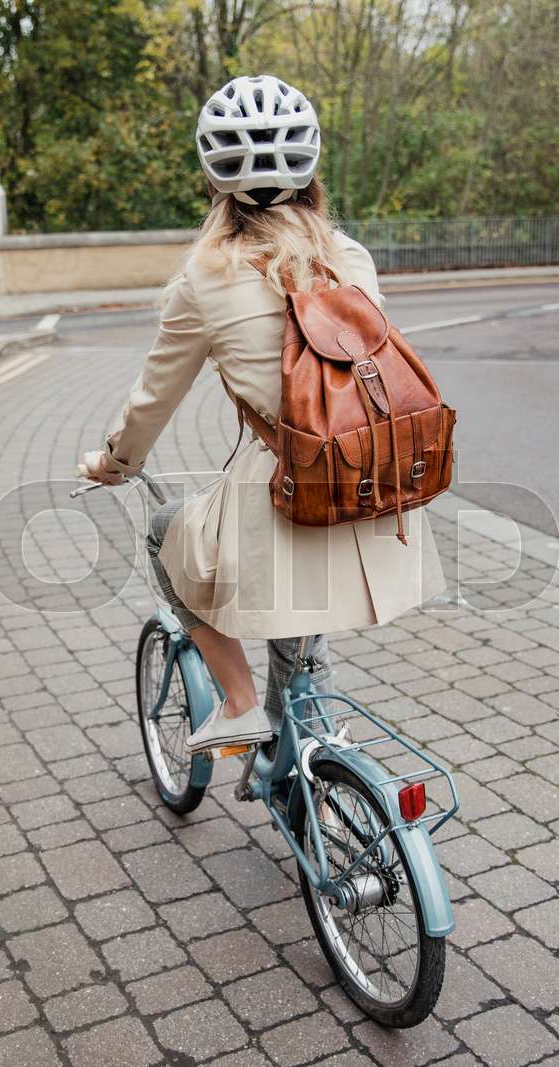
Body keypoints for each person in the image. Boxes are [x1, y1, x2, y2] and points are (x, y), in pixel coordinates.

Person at [79, 74, 443, 753]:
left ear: (215, 180)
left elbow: (154, 398)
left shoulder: (205, 278)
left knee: (164, 533)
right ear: (312, 170)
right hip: (373, 491)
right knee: (303, 646)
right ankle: (312, 767)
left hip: (287, 493)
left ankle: (241, 704)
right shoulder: (350, 259)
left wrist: (115, 461)